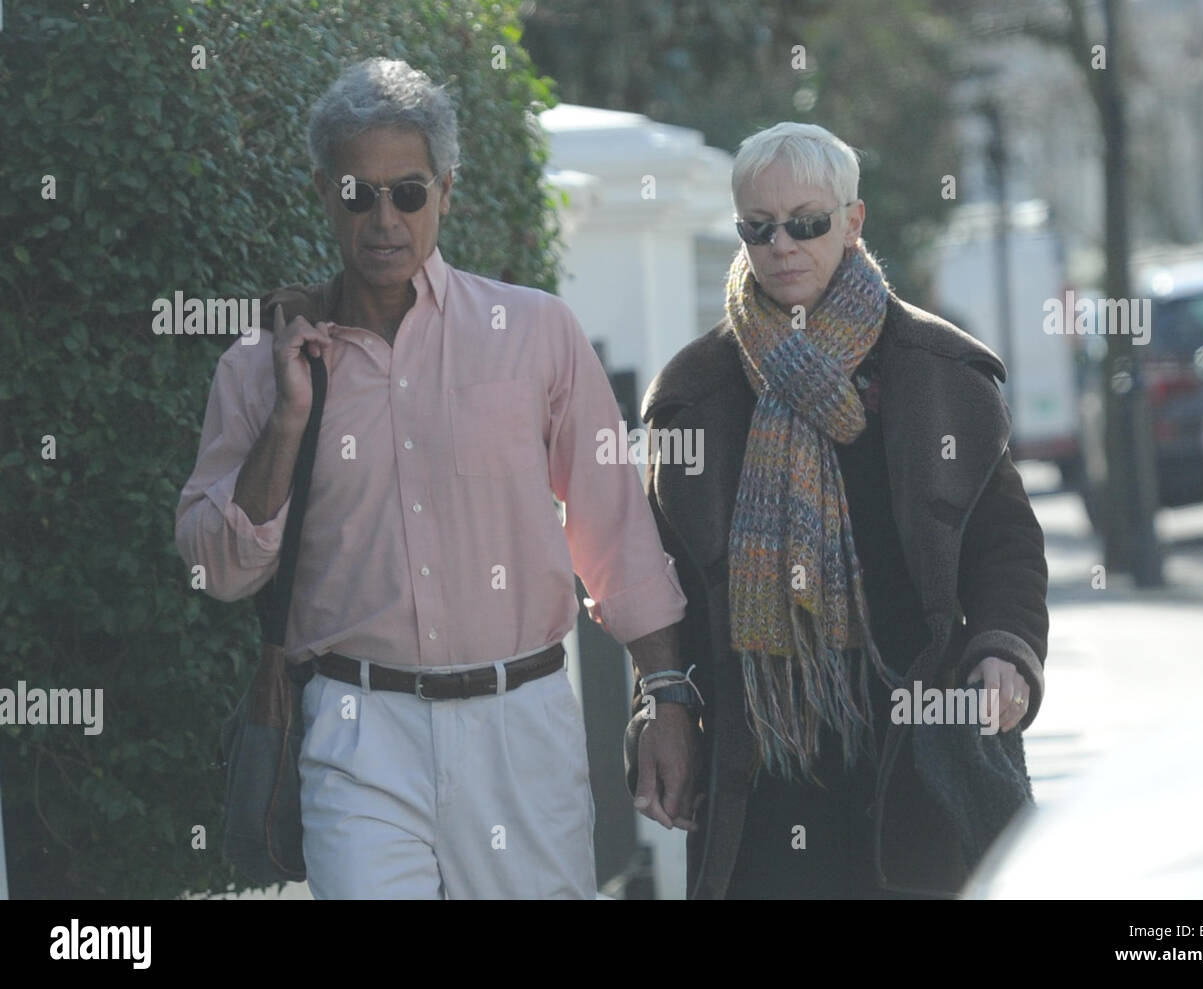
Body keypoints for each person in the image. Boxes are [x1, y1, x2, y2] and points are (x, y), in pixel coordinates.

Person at [175, 58, 690, 899]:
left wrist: (664, 693)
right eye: (357, 194)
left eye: (406, 193)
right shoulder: (259, 364)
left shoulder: (535, 333)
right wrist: (290, 419)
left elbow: (616, 531)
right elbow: (217, 569)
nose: (383, 219)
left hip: (520, 725)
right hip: (354, 728)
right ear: (322, 192)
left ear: (445, 190)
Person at [629, 122, 1050, 899]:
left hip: (917, 748)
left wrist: (1004, 649)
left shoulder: (941, 374)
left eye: (808, 222)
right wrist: (662, 703)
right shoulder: (693, 394)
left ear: (853, 222)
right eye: (759, 228)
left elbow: (1005, 547)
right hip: (757, 761)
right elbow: (661, 581)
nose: (782, 244)